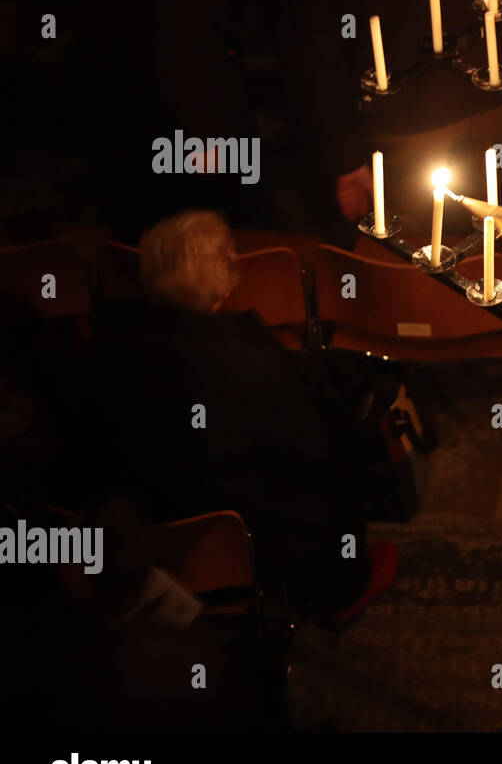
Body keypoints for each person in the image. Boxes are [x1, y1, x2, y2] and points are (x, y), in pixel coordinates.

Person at [81, 210, 396, 624]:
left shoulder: (106, 344)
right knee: (343, 454)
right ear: (227, 279)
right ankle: (344, 590)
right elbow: (314, 449)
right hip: (253, 539)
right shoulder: (249, 358)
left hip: (151, 532)